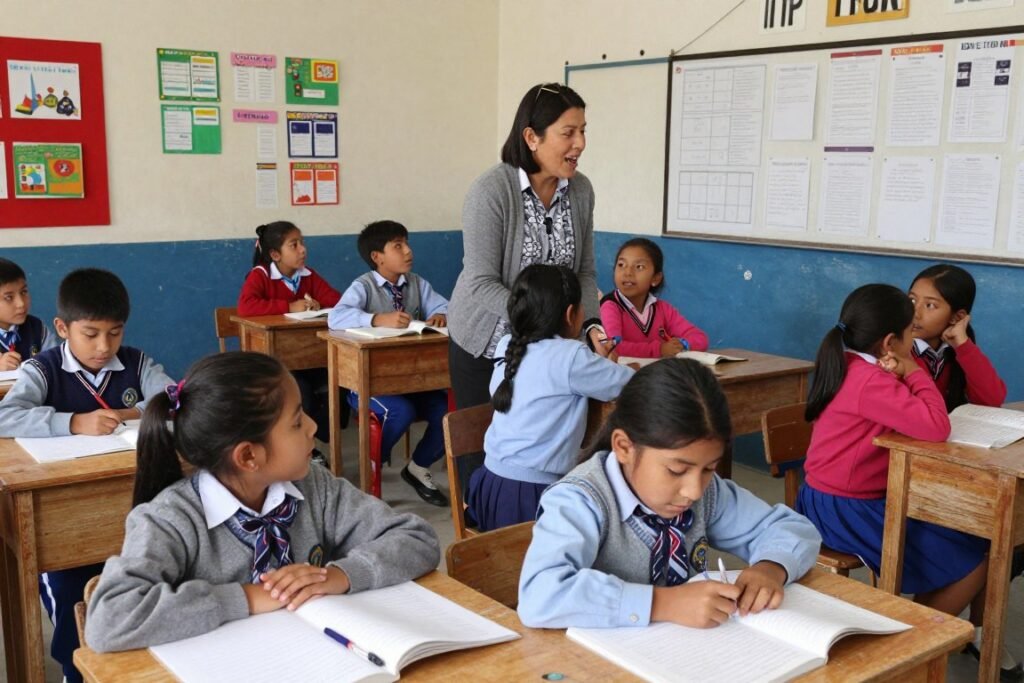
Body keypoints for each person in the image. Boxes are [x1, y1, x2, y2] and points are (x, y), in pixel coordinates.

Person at [85, 352, 440, 652]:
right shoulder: (170, 519)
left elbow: (417, 539)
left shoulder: (315, 487)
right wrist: (249, 597)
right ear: (248, 457)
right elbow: (108, 619)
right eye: (297, 421)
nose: (314, 427)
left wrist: (339, 575)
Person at [796, 284, 1019, 677]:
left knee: (961, 539)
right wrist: (915, 371)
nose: (913, 338)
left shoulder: (851, 365)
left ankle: (914, 623)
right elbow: (935, 426)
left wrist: (904, 373)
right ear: (890, 342)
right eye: (909, 332)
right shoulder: (869, 380)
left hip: (834, 497)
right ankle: (912, 642)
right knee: (978, 556)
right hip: (847, 509)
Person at [517, 358, 820, 628]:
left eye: (709, 468)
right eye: (676, 471)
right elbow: (540, 594)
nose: (693, 490)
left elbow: (791, 529)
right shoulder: (580, 501)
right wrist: (663, 603)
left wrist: (771, 567)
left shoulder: (708, 493)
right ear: (624, 447)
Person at [0, 268, 174, 682]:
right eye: (91, 334)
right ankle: (73, 669)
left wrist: (131, 413)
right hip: (63, 514)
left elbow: (175, 400)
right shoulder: (43, 370)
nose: (103, 346)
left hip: (130, 498)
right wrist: (74, 422)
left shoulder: (136, 362)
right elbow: (5, 415)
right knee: (70, 593)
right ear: (62, 328)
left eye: (114, 334)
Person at [447, 83, 615, 409]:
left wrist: (592, 325)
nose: (580, 143)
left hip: (550, 350)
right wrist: (550, 319)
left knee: (545, 447)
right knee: (482, 451)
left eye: (582, 131)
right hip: (486, 345)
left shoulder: (581, 191)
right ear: (531, 138)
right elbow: (481, 284)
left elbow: (584, 272)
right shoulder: (491, 191)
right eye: (568, 133)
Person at [465, 264, 634, 531]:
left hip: (488, 486)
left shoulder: (507, 345)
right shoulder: (571, 356)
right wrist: (617, 366)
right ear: (571, 314)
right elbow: (630, 384)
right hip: (531, 496)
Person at [328, 220, 451, 506]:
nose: (408, 251)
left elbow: (443, 305)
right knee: (400, 412)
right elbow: (336, 317)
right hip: (371, 383)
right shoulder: (364, 286)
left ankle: (417, 467)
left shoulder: (418, 283)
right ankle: (373, 464)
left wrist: (441, 315)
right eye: (398, 246)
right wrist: (375, 319)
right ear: (377, 257)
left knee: (446, 413)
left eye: (407, 243)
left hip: (412, 378)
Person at [237, 221, 341, 444]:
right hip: (276, 361)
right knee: (299, 392)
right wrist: (288, 306)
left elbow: (338, 302)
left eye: (302, 243)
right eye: (294, 245)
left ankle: (316, 441)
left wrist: (317, 304)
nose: (303, 249)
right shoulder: (261, 275)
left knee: (337, 385)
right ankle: (306, 445)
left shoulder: (307, 275)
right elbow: (246, 307)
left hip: (310, 357)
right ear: (275, 254)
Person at [908, 263, 1006, 410]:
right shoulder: (893, 351)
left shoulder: (954, 352)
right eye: (912, 300)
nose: (914, 312)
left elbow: (991, 401)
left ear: (956, 317)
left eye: (930, 305)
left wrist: (964, 346)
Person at [600, 238, 708, 358]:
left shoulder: (662, 309)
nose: (627, 272)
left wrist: (682, 345)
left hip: (655, 374)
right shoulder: (610, 306)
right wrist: (659, 350)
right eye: (621, 265)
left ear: (656, 278)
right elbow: (613, 347)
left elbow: (700, 337)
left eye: (639, 267)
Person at [0, 257, 57, 369]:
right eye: (9, 297)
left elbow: (55, 364)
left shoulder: (37, 328)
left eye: (24, 292)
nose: (21, 303)